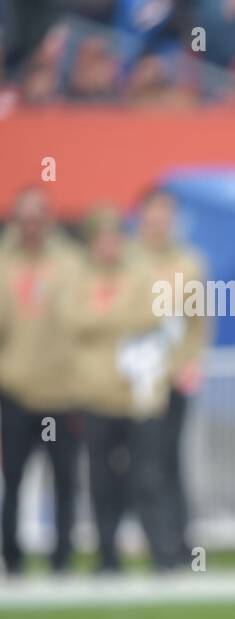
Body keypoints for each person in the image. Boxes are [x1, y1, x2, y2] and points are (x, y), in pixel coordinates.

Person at [69, 205, 176, 573]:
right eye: (101, 239)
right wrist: (116, 320)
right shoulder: (76, 277)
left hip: (138, 399)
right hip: (96, 396)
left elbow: (150, 315)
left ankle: (163, 555)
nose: (108, 247)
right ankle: (107, 557)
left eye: (114, 238)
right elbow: (70, 319)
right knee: (101, 481)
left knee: (148, 477)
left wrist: (100, 321)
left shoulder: (141, 273)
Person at [0, 186, 81, 575]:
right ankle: (11, 560)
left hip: (62, 394)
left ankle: (61, 559)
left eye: (38, 218)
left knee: (65, 480)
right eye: (24, 218)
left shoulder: (69, 263)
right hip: (15, 391)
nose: (31, 227)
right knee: (11, 481)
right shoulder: (3, 262)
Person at [131, 187, 209, 569]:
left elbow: (198, 322)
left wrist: (190, 362)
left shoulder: (188, 263)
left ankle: (177, 547)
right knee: (144, 465)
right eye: (153, 216)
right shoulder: (128, 261)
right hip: (133, 379)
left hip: (173, 378)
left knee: (170, 462)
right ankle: (159, 547)